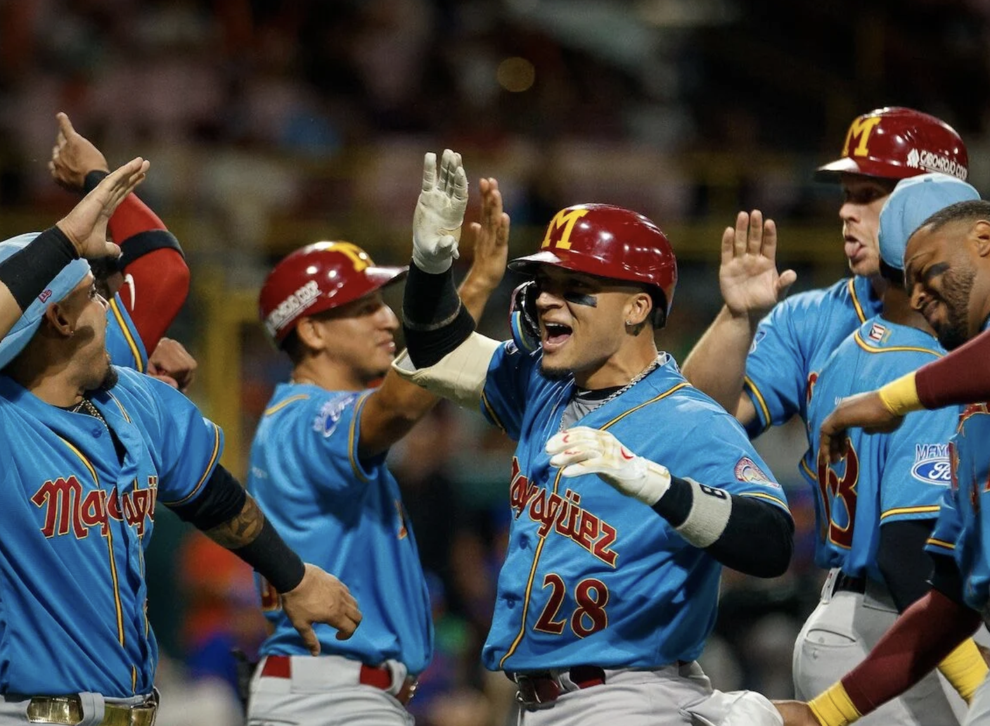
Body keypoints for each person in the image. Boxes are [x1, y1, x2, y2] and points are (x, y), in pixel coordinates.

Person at [393, 149, 794, 724]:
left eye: (575, 285)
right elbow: (434, 352)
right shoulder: (543, 386)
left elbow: (773, 541)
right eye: (545, 283)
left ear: (636, 308)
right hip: (538, 700)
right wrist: (432, 264)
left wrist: (655, 484)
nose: (549, 299)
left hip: (627, 696)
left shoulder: (687, 417)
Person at [0, 159, 361, 724]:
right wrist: (66, 237)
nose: (110, 303)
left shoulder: (133, 397)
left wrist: (292, 575)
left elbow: (209, 495)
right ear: (59, 322)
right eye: (95, 294)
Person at [679, 106, 970, 702]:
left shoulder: (959, 316)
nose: (845, 210)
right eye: (846, 193)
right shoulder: (813, 318)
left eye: (871, 194)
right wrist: (737, 316)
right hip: (895, 598)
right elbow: (696, 426)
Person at [245, 170, 509, 726]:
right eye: (363, 308)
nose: (388, 318)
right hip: (331, 696)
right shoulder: (302, 419)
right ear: (312, 332)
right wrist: (467, 287)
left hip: (334, 694)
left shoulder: (299, 417)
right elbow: (397, 406)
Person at [775, 198, 990, 726]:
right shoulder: (970, 423)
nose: (917, 294)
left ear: (983, 240)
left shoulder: (914, 381)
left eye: (928, 269)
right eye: (907, 277)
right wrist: (822, 715)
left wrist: (895, 399)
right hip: (883, 618)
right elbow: (942, 605)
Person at [48, 112, 190, 375]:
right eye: (93, 295)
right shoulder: (79, 362)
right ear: (59, 317)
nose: (110, 309)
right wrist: (94, 176)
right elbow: (163, 271)